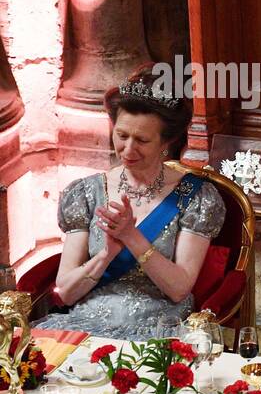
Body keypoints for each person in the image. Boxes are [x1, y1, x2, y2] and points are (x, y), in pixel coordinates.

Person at [37, 72, 226, 339]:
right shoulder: (86, 193)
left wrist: (131, 236)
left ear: (166, 143)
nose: (127, 149)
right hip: (87, 327)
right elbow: (66, 293)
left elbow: (179, 288)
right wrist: (106, 256)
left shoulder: (195, 197)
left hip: (158, 330)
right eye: (121, 135)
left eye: (142, 140)